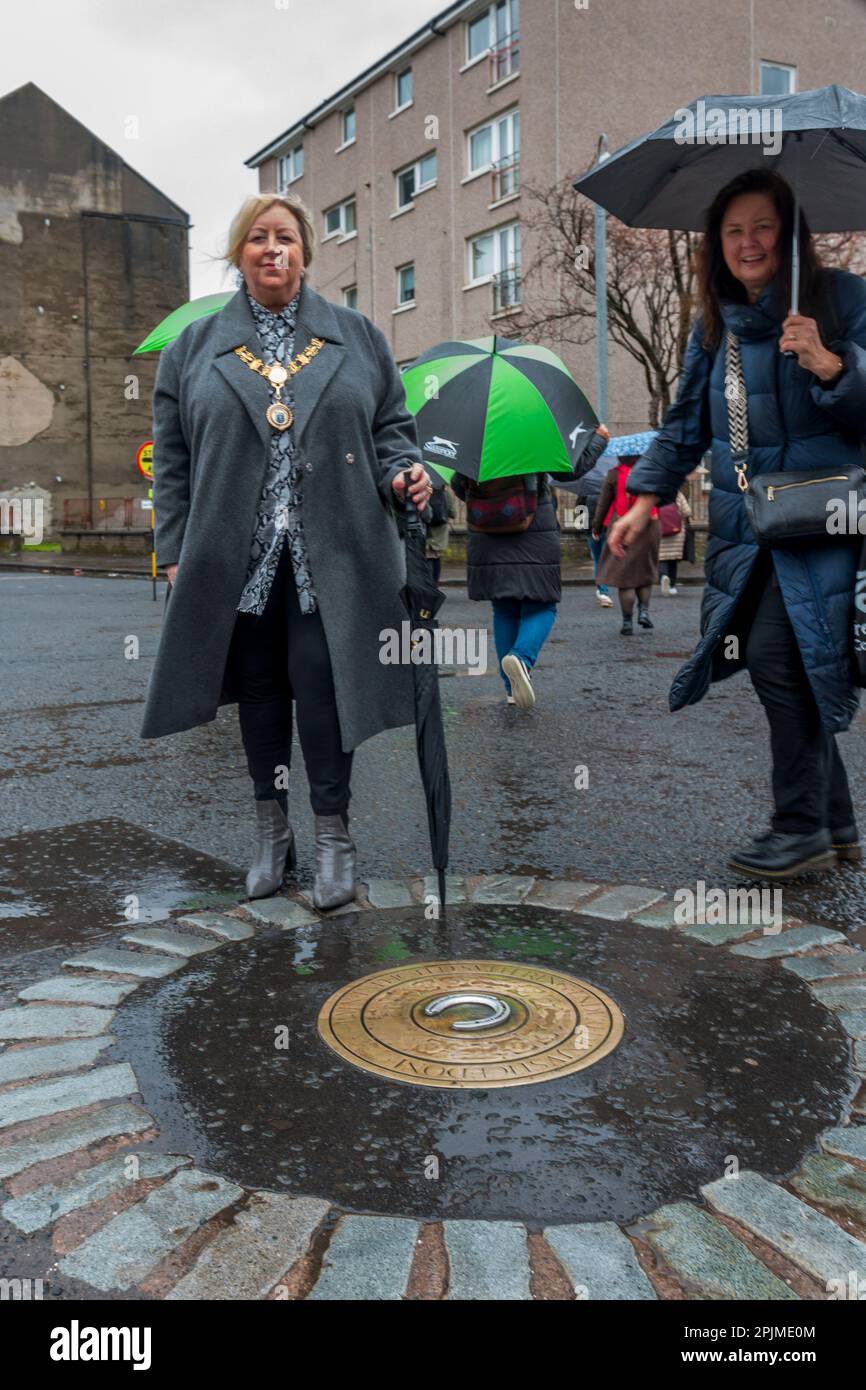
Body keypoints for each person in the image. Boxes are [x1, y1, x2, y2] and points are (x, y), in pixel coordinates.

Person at [140, 194, 433, 908]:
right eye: (258, 239)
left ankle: (334, 839)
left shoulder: (357, 337)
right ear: (238, 254)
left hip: (333, 552)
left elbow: (392, 427)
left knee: (326, 689)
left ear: (306, 252)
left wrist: (405, 470)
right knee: (262, 695)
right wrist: (174, 550)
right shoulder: (195, 349)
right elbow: (171, 459)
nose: (274, 249)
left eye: (287, 238)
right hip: (233, 558)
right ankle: (273, 837)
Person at [607, 168, 866, 879]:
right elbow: (686, 422)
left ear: (790, 233)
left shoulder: (842, 299)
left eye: (763, 226)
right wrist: (640, 500)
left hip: (827, 520)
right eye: (732, 230)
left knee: (784, 657)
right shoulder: (714, 324)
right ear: (714, 243)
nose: (748, 243)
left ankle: (800, 829)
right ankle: (834, 822)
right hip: (748, 525)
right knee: (787, 662)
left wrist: (828, 361)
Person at [451, 426, 609, 709]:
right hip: (533, 529)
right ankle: (522, 657)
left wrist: (492, 500)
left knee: (504, 608)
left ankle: (511, 688)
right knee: (542, 605)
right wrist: (598, 441)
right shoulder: (534, 428)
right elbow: (569, 470)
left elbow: (457, 485)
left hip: (487, 534)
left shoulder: (476, 436)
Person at [593, 443, 660, 635]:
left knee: (626, 579)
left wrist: (597, 527)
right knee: (645, 572)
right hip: (650, 525)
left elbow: (603, 503)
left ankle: (627, 622)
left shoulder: (614, 474)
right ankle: (644, 613)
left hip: (622, 525)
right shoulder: (651, 472)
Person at [658, 489, 693, 595]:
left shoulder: (654, 492)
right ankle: (672, 586)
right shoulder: (677, 493)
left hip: (659, 531)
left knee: (661, 558)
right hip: (676, 532)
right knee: (673, 559)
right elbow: (687, 512)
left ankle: (664, 576)